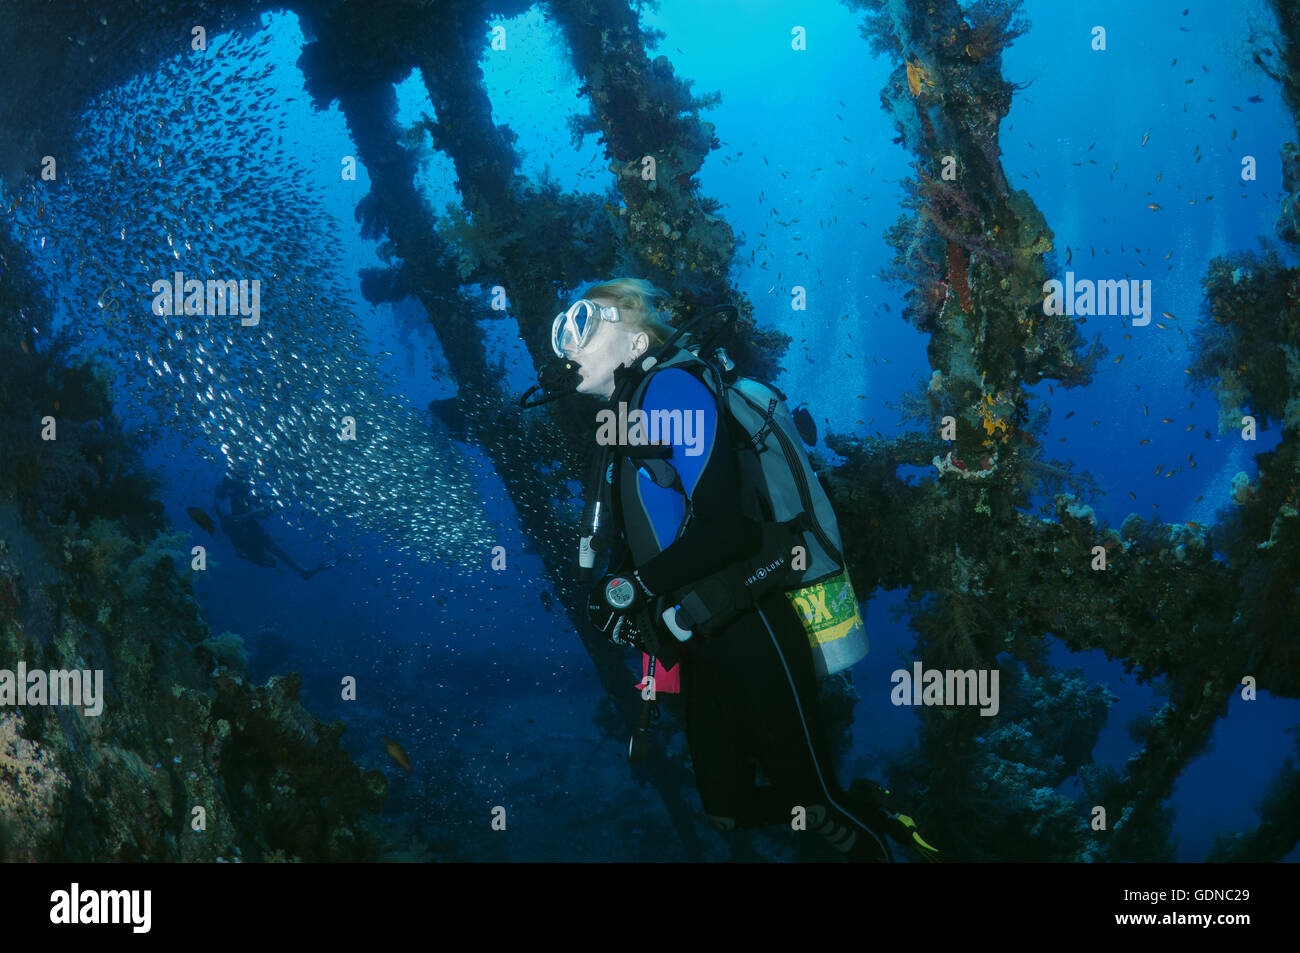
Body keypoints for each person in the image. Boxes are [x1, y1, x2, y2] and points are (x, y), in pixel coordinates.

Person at [554, 277, 938, 863]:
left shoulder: (671, 389)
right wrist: (629, 597)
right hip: (697, 637)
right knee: (726, 809)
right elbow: (654, 529)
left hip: (748, 625)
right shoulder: (627, 411)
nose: (565, 344)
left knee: (817, 812)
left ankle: (854, 817)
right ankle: (866, 803)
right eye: (560, 330)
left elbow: (724, 530)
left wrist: (636, 588)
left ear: (634, 343)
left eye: (582, 324)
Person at [213, 473, 336, 580]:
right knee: (271, 562)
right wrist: (255, 513)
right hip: (240, 536)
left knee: (275, 549)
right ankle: (246, 554)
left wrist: (264, 510)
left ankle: (303, 571)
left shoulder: (239, 492)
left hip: (251, 528)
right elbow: (230, 521)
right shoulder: (224, 495)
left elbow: (250, 508)